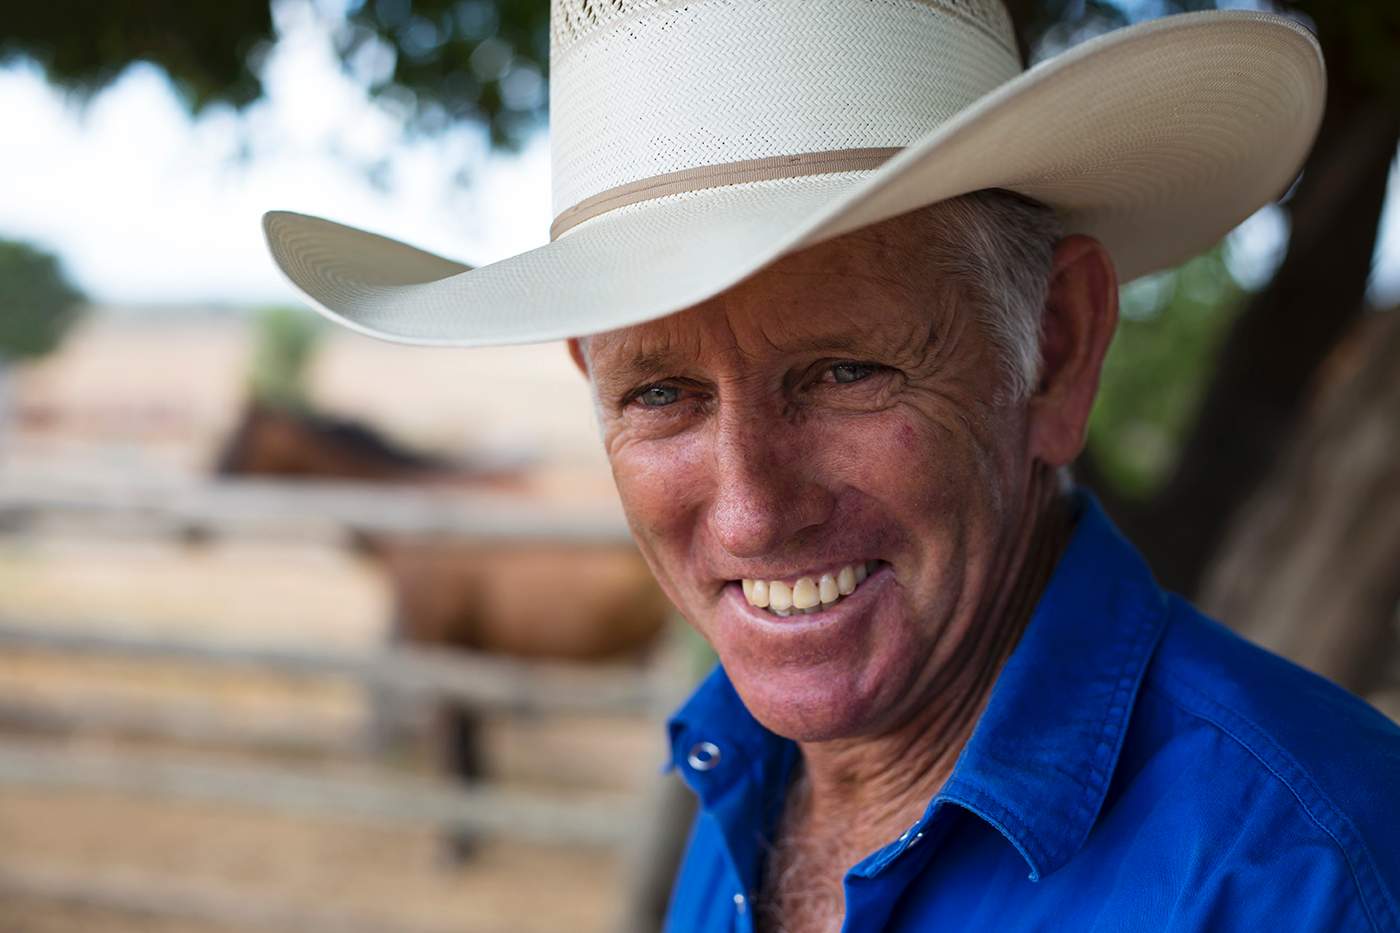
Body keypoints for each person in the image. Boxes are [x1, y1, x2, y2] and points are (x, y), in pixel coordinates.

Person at [261, 1, 1400, 929]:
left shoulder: (1311, 880)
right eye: (660, 393)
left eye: (845, 371)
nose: (752, 514)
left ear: (1054, 349)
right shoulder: (748, 773)